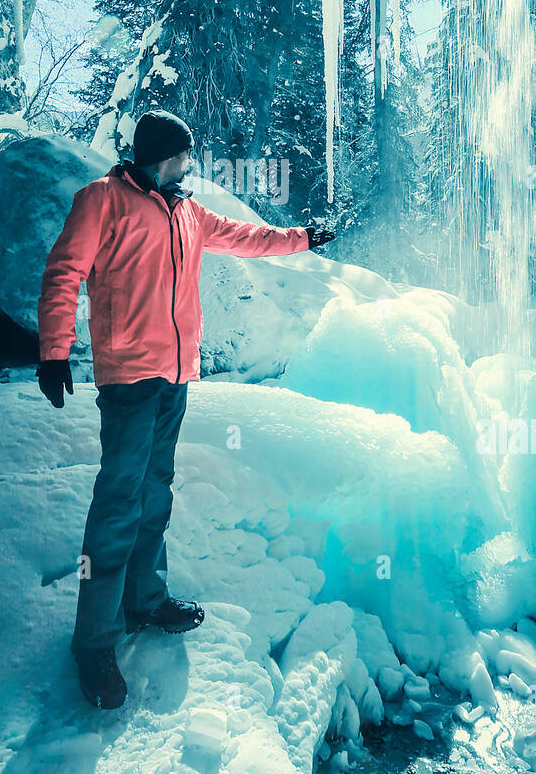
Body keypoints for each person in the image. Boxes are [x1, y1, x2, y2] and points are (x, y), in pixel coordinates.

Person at [36, 109, 336, 707]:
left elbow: (247, 239)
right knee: (118, 504)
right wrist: (54, 350)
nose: (192, 165)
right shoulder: (103, 199)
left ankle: (145, 600)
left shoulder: (188, 211)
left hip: (174, 377)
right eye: (184, 156)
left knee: (155, 491)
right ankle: (94, 643)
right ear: (161, 155)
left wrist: (303, 237)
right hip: (128, 377)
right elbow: (64, 271)